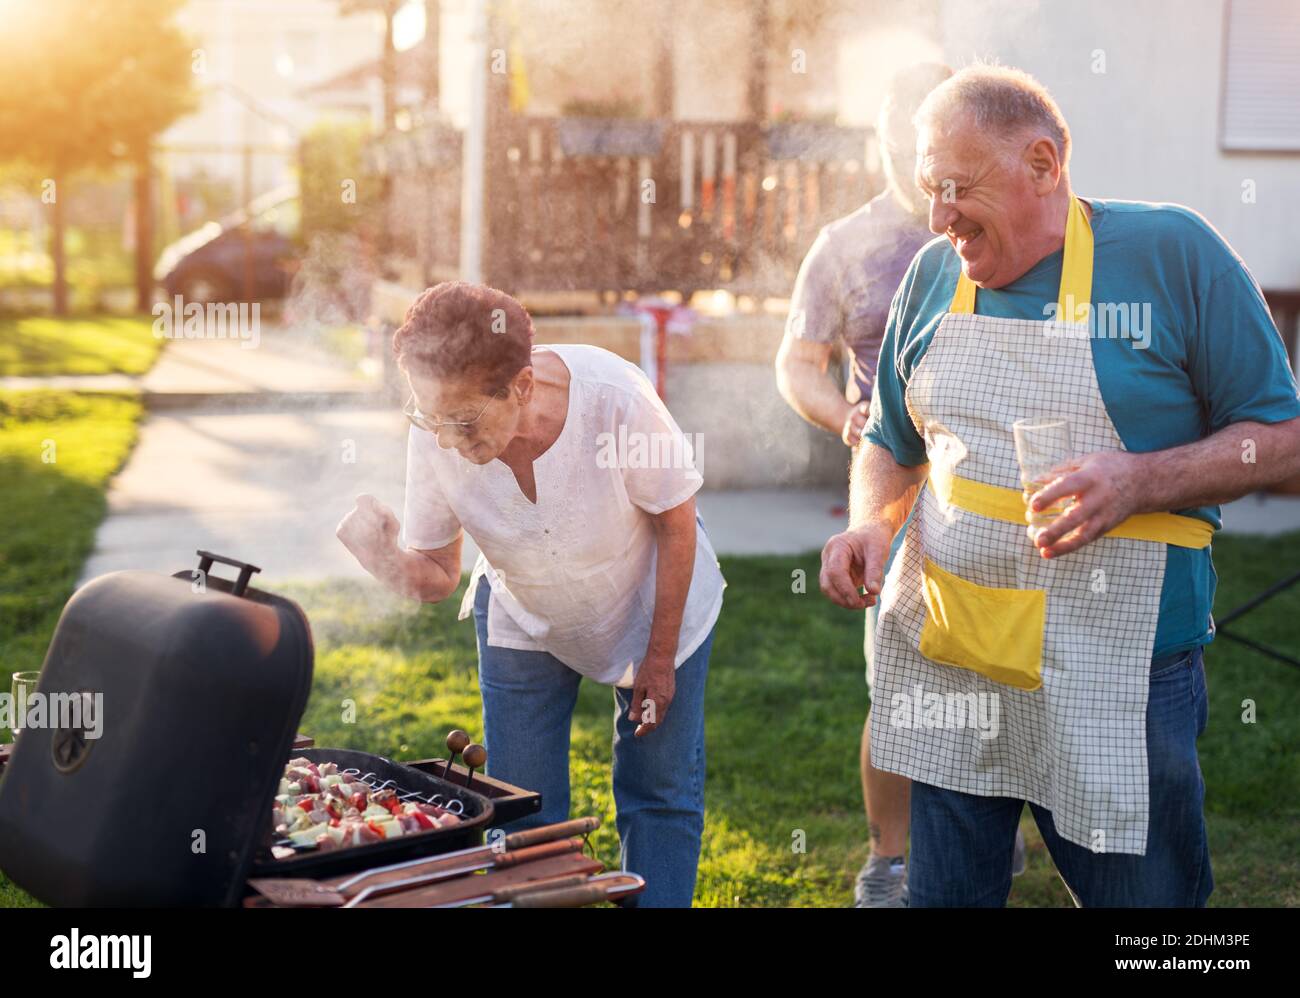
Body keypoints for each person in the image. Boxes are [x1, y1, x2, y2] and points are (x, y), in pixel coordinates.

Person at [819, 63, 1300, 907]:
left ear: (1041, 164)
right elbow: (891, 443)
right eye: (930, 190)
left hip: (1119, 672)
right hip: (956, 658)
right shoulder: (934, 276)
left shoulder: (1172, 255)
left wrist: (1141, 479)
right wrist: (870, 525)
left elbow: (1284, 439)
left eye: (957, 188)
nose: (937, 217)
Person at [336, 281, 725, 908]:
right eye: (426, 415)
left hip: (652, 602)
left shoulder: (614, 397)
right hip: (524, 610)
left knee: (658, 791)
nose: (442, 438)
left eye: (459, 419)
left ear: (522, 386)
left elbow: (678, 523)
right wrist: (379, 555)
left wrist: (658, 659)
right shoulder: (437, 431)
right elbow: (437, 573)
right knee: (522, 813)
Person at [780, 62, 1026, 908]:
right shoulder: (844, 245)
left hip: (1002, 492)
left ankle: (997, 828)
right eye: (885, 130)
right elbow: (797, 364)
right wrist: (844, 419)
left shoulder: (1015, 225)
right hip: (897, 497)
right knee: (902, 687)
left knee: (1012, 669)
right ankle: (892, 855)